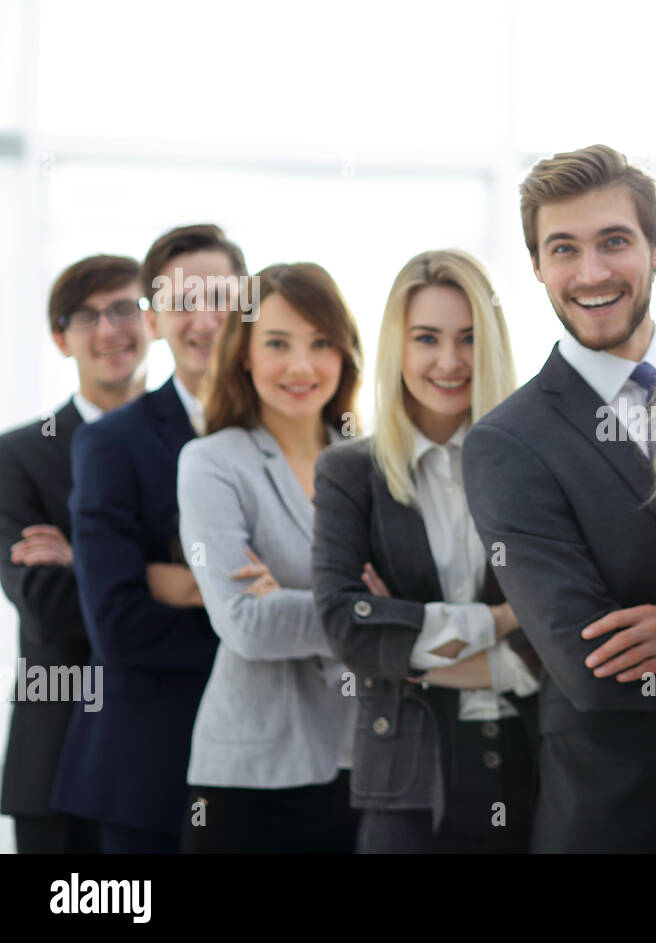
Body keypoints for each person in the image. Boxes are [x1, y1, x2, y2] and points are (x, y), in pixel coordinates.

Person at [462, 144, 656, 853]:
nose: (591, 273)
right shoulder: (508, 441)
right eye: (564, 249)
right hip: (621, 816)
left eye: (614, 241)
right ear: (538, 266)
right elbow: (590, 662)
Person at [313, 249, 540, 854]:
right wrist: (502, 619)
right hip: (406, 774)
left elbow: (561, 631)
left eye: (468, 338)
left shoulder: (533, 465)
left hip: (535, 764)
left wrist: (407, 644)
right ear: (397, 347)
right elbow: (348, 628)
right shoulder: (347, 472)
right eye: (427, 338)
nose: (449, 360)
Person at [51, 224, 245, 853]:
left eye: (219, 297)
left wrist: (189, 587)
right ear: (154, 320)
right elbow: (117, 621)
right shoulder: (112, 443)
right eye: (182, 302)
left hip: (276, 775)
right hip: (151, 775)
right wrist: (258, 624)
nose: (204, 319)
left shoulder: (301, 433)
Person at [176, 262, 362, 852]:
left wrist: (292, 603)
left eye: (321, 343)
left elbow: (415, 602)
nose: (302, 366)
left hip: (367, 765)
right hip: (250, 783)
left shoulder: (369, 462)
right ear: (245, 354)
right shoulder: (212, 462)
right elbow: (246, 625)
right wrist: (367, 611)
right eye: (278, 343)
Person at [0, 254, 150, 853]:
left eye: (124, 308)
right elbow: (44, 607)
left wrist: (81, 559)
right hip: (55, 763)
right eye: (87, 317)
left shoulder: (197, 446)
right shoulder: (17, 457)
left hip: (167, 761)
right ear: (61, 339)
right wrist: (159, 578)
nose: (110, 330)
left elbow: (216, 598)